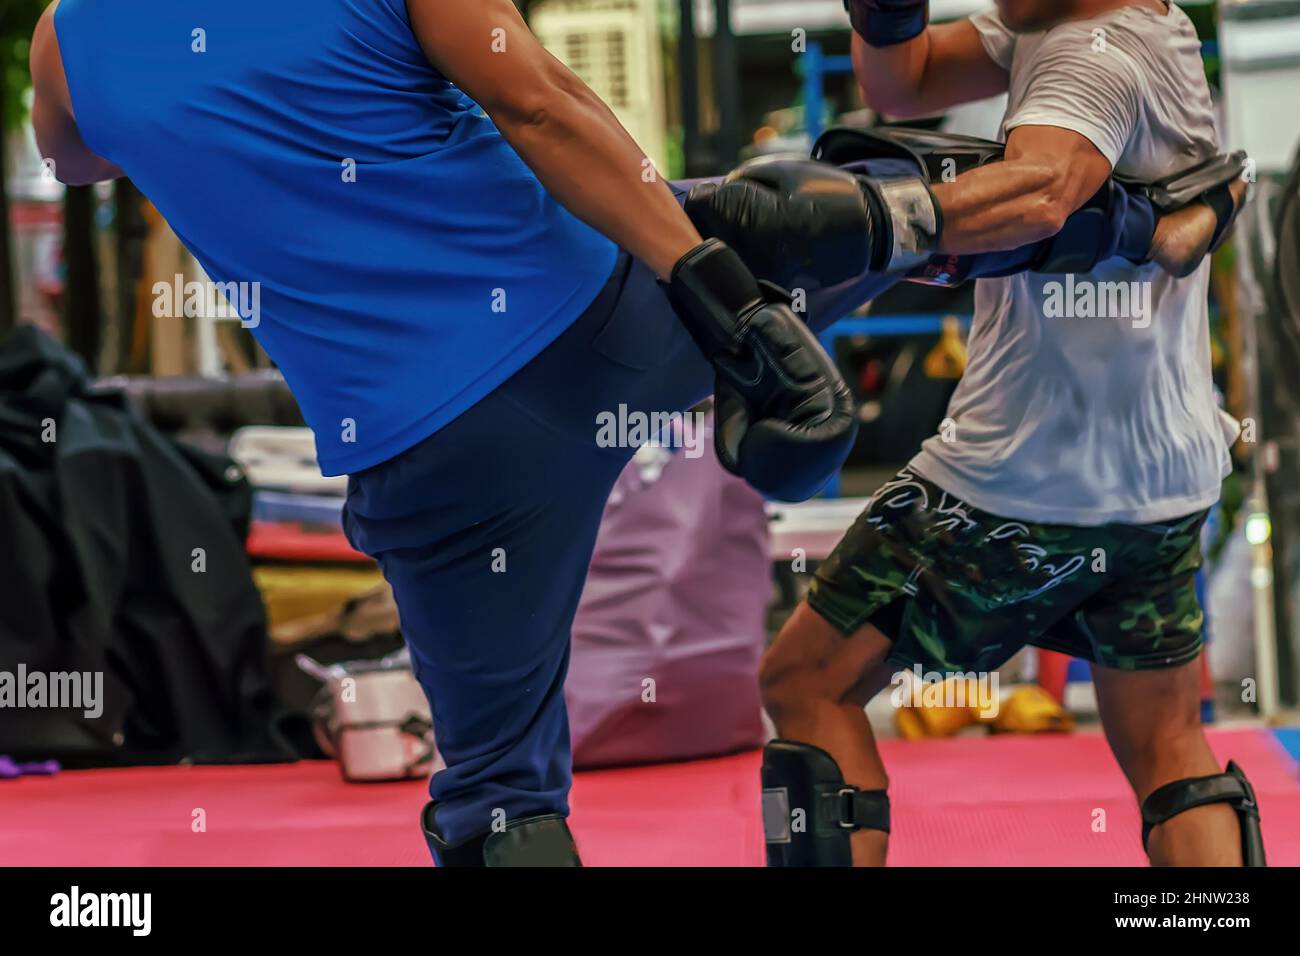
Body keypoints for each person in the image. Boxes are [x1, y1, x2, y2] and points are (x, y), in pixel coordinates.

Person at [30, 0, 1240, 866]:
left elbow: (69, 153)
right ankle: (1142, 224)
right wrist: (725, 298)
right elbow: (541, 104)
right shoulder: (1120, 39)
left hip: (427, 454)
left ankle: (1088, 225)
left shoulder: (68, 41)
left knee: (498, 796)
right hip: (604, 326)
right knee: (799, 209)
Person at [757, 0, 1264, 867]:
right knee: (1167, 746)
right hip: (1165, 482)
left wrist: (866, 228)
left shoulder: (1086, 56)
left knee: (806, 681)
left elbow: (1039, 191)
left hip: (1017, 484)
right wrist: (886, 18)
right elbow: (904, 80)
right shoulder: (1114, 21)